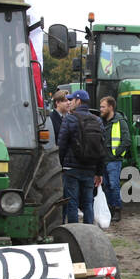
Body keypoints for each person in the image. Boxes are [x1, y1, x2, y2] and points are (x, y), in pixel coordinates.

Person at [57, 90, 102, 224]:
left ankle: (74, 234)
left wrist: (60, 166)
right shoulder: (97, 120)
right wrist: (99, 172)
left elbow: (62, 145)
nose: (69, 102)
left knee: (72, 202)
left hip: (71, 169)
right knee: (88, 202)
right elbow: (101, 148)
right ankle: (89, 232)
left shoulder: (69, 119)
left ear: (79, 101)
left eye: (72, 100)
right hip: (90, 169)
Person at [98, 96, 130, 224]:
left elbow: (126, 141)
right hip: (103, 159)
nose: (101, 109)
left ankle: (117, 209)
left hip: (113, 160)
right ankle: (110, 208)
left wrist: (116, 154)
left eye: (103, 107)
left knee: (113, 185)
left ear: (111, 107)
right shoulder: (101, 121)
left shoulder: (120, 122)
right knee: (105, 185)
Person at [48, 88, 70, 163]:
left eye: (69, 100)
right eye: (65, 101)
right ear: (57, 103)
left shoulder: (71, 118)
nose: (69, 103)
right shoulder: (50, 119)